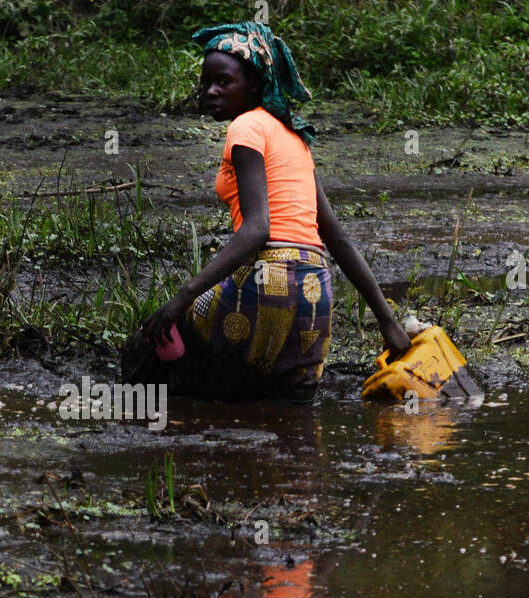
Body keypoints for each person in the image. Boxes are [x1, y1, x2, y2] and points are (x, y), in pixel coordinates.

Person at [125, 22, 411, 404]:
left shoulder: (245, 128)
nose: (210, 91)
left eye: (223, 82)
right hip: (314, 297)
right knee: (291, 421)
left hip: (262, 280)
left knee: (159, 354)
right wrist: (387, 322)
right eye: (206, 82)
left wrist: (180, 299)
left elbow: (258, 230)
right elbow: (336, 239)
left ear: (255, 87)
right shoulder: (295, 139)